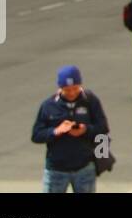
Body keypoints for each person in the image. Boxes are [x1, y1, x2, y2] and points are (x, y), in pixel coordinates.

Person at [31, 65, 109, 194]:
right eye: (67, 90)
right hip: (56, 169)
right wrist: (56, 131)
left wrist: (86, 130)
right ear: (60, 88)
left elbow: (103, 128)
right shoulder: (49, 105)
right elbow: (36, 135)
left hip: (84, 167)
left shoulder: (90, 101)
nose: (72, 93)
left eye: (75, 88)